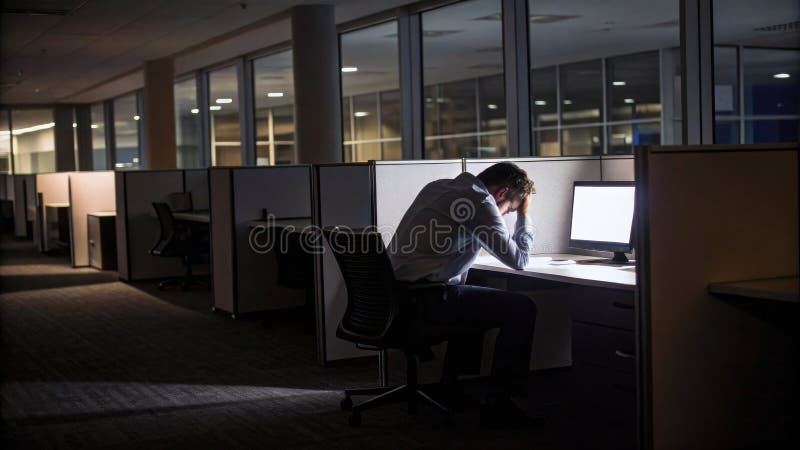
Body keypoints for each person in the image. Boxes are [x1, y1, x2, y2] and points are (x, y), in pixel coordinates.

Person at [388, 161, 538, 427]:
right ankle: (499, 403)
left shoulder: (438, 187)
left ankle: (451, 386)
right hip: (423, 299)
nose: (504, 216)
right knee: (522, 308)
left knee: (475, 289)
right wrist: (524, 215)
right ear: (502, 193)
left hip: (396, 296)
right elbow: (520, 260)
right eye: (509, 209)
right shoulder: (480, 202)